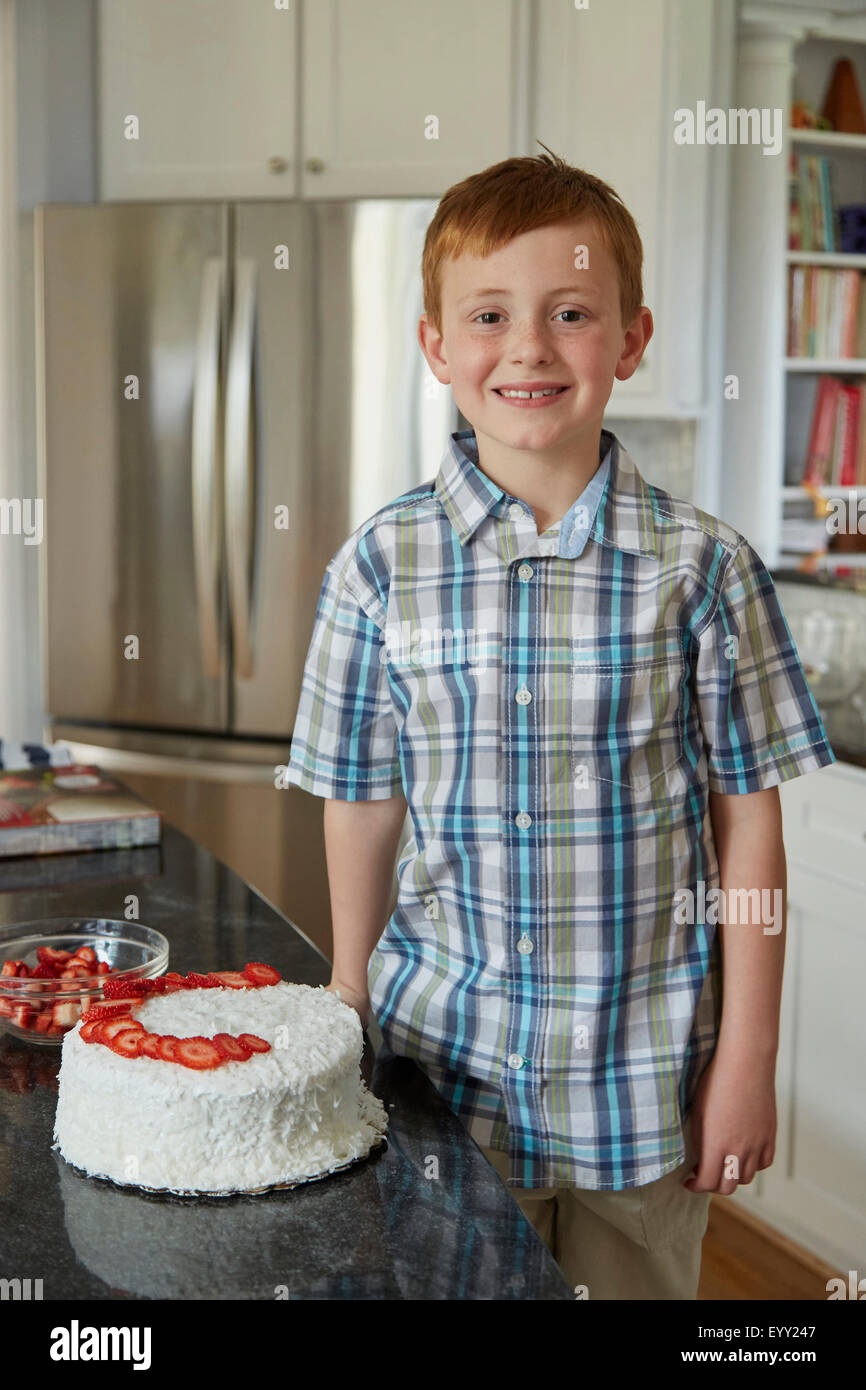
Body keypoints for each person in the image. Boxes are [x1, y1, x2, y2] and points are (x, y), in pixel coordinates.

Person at [284, 150, 835, 1299]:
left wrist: (748, 1057)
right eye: (488, 314)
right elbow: (362, 799)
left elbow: (749, 829)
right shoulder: (377, 567)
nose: (528, 347)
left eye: (569, 313)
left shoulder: (703, 571)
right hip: (440, 1071)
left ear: (628, 340)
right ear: (437, 345)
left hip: (640, 1088)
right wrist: (345, 995)